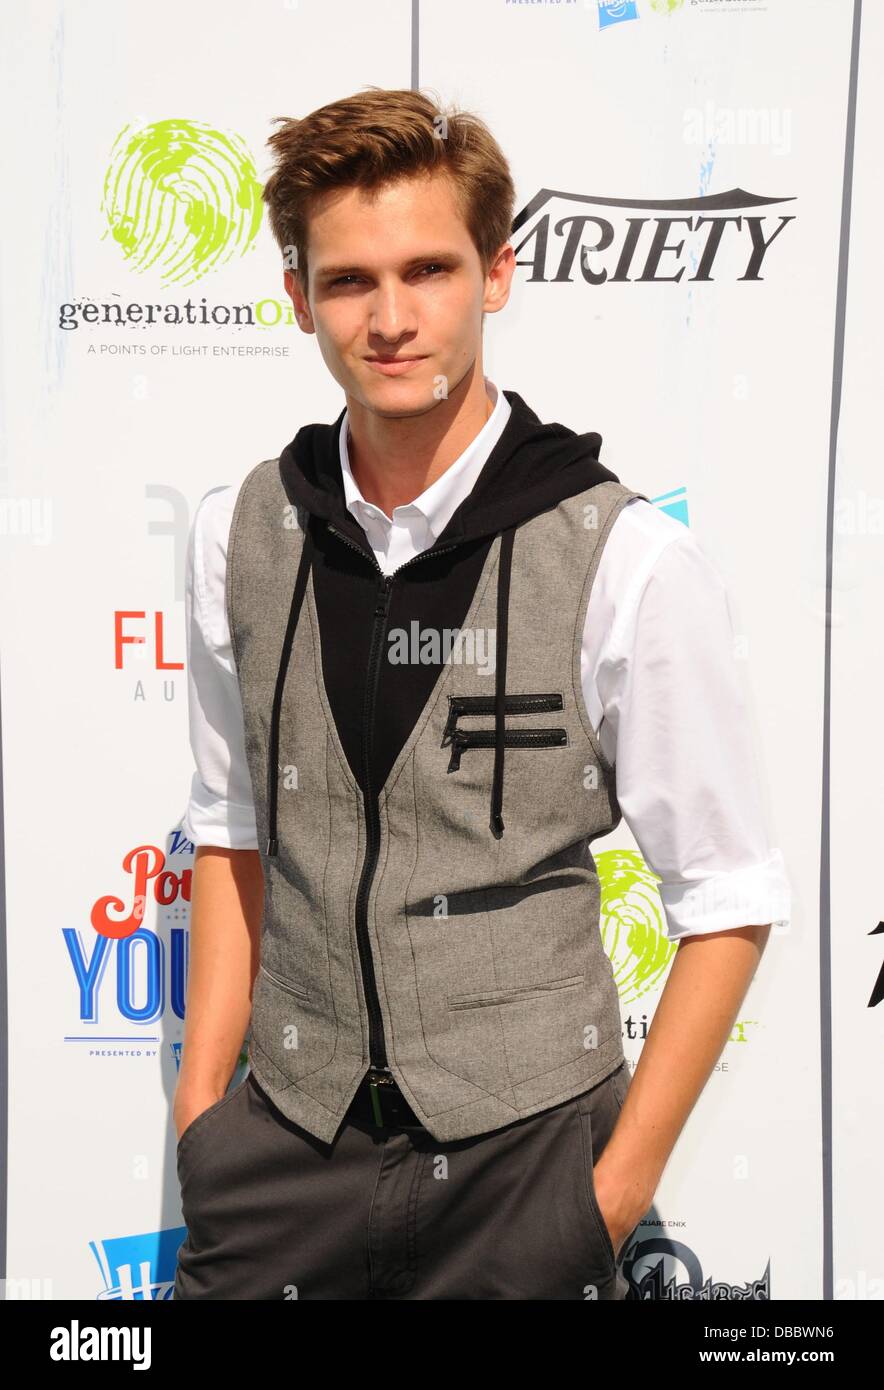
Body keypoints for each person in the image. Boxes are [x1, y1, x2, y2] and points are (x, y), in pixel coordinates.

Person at [172, 86, 791, 1301]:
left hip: (528, 1172)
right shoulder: (235, 533)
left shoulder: (621, 556)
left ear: (496, 273)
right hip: (281, 1158)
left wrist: (598, 1205)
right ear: (296, 296)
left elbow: (726, 898)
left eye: (429, 270)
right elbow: (231, 828)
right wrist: (204, 1117)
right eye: (349, 281)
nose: (392, 319)